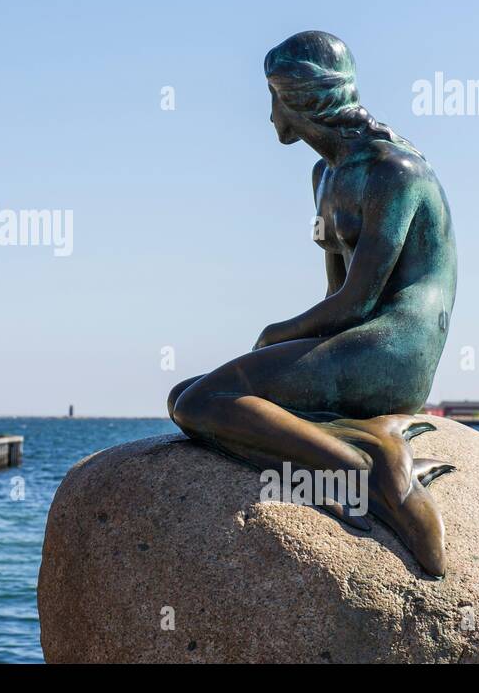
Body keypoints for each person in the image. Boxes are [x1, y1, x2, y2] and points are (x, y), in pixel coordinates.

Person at [167, 31, 457, 578]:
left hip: (396, 350)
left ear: (298, 96)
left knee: (203, 402)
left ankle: (367, 471)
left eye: (274, 95)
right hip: (355, 340)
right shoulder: (324, 174)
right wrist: (291, 344)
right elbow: (335, 293)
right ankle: (363, 441)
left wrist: (276, 336)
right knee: (186, 395)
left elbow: (360, 298)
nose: (270, 112)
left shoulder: (394, 173)